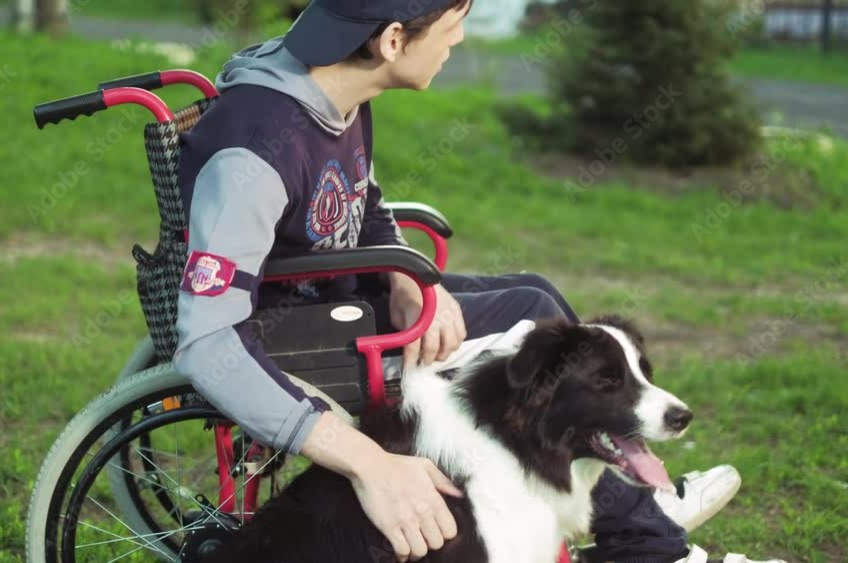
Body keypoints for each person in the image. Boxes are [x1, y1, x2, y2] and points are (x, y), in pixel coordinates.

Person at [171, 1, 784, 561]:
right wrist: (369, 463)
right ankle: (644, 534)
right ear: (391, 40)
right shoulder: (254, 152)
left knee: (530, 293)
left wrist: (409, 279)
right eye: (451, 23)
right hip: (303, 332)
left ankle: (627, 508)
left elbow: (364, 202)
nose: (460, 38)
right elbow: (209, 337)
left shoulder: (332, 95)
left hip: (344, 295)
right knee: (535, 315)